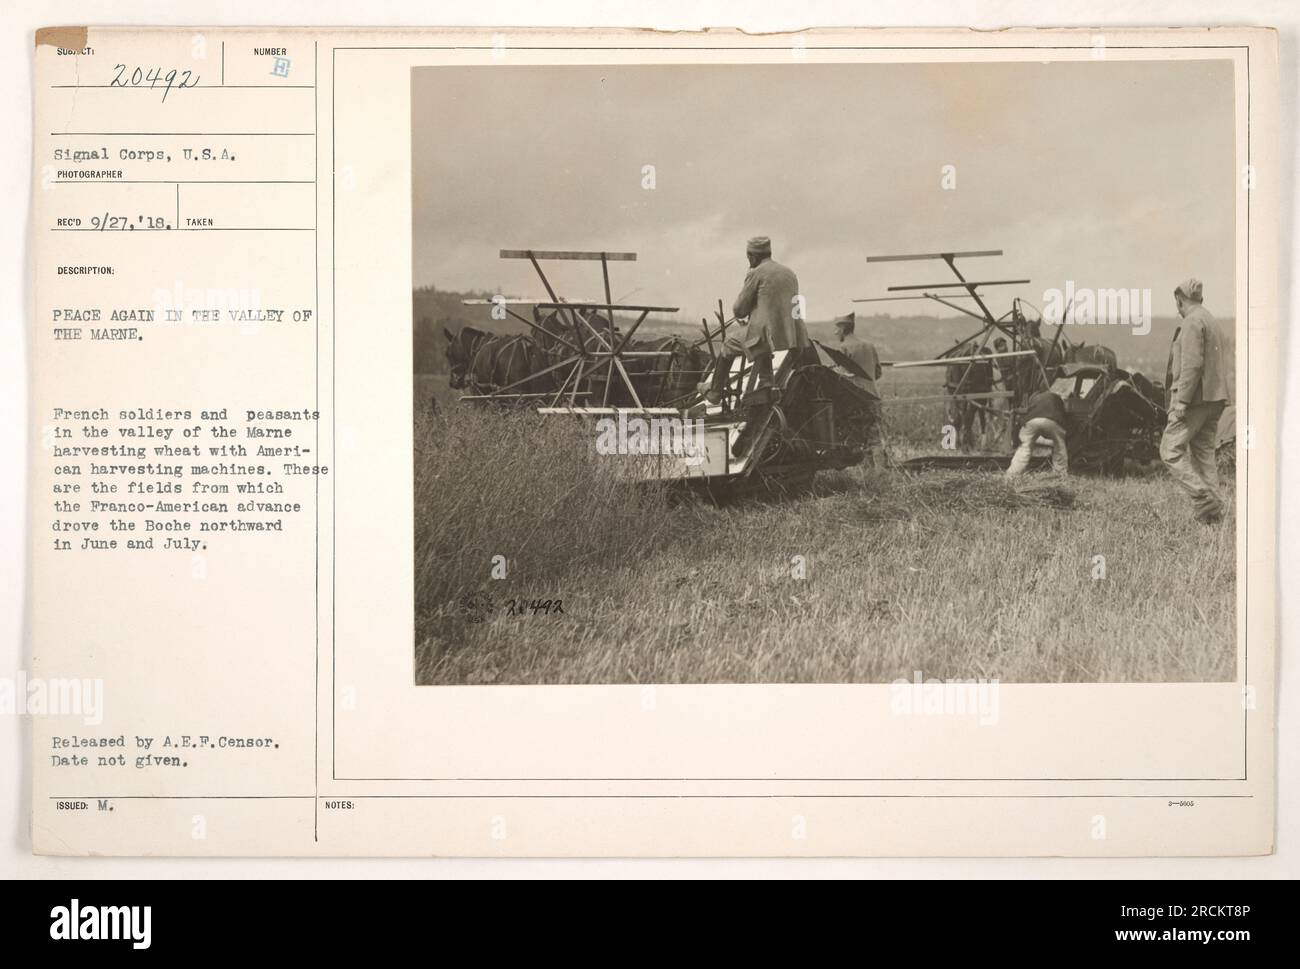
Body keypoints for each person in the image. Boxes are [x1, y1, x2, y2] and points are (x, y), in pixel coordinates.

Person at [705, 236, 810, 404]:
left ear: (752, 256)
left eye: (748, 257)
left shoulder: (756, 272)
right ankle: (766, 381)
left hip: (766, 334)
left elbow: (739, 310)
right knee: (760, 337)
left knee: (729, 342)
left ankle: (715, 392)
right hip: (792, 332)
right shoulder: (789, 272)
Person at [1160, 278, 1231, 523]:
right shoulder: (1211, 320)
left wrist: (1181, 402)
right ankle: (1215, 512)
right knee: (1203, 456)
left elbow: (1192, 365)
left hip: (1195, 401)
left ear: (1179, 300)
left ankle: (1203, 498)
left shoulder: (1191, 322)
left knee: (1169, 450)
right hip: (1216, 400)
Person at [833, 312, 886, 467]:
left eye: (836, 329)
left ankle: (867, 475)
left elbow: (842, 378)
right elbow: (878, 373)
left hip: (855, 401)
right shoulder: (869, 346)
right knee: (875, 437)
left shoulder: (843, 348)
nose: (835, 333)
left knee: (857, 439)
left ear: (843, 329)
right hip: (873, 397)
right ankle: (880, 473)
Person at [1005, 389, 1069, 479]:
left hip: (1032, 420)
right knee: (1059, 446)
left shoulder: (1035, 399)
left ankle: (1013, 473)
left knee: (1025, 447)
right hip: (1052, 420)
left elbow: (1026, 411)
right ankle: (1060, 473)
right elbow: (1064, 413)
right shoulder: (1056, 398)